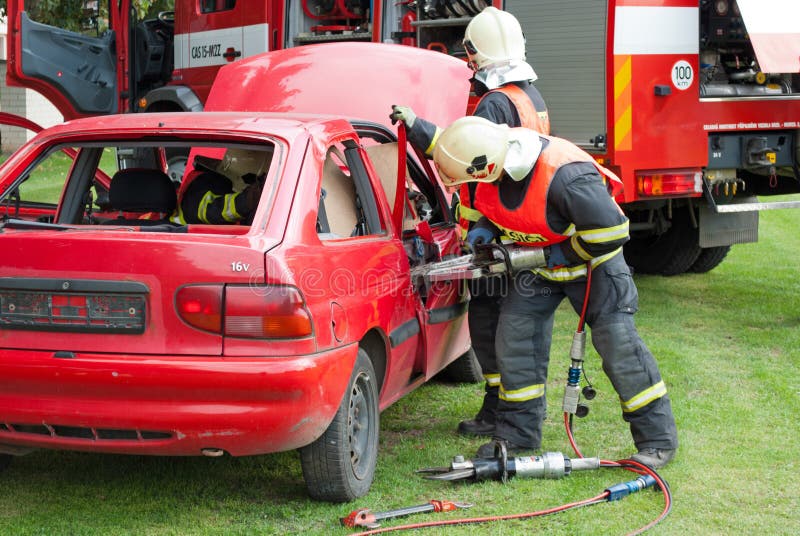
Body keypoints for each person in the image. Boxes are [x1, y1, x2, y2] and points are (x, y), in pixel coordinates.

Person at [431, 115, 679, 469]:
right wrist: (485, 229)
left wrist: (556, 255)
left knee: (617, 344)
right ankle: (518, 433)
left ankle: (657, 440)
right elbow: (503, 207)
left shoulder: (568, 175)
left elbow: (612, 233)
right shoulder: (495, 162)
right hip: (541, 271)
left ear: (486, 165)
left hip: (595, 268)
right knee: (515, 337)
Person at [390, 6, 550, 439]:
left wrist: (419, 128)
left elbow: (466, 156)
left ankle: (501, 413)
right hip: (521, 233)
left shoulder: (496, 103)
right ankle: (513, 410)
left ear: (476, 54)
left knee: (490, 325)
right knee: (516, 328)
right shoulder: (528, 97)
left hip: (493, 237)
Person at [171, 148, 269, 225]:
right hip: (185, 240)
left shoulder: (216, 182)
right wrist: (245, 201)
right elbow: (209, 210)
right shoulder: (204, 183)